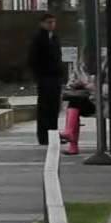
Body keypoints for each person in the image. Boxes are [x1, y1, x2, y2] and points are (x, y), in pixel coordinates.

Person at [28, 14, 65, 146]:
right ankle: (44, 136)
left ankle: (53, 134)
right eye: (49, 22)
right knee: (45, 107)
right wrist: (38, 76)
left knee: (54, 108)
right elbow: (33, 59)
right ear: (42, 23)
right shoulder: (38, 38)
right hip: (45, 77)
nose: (51, 25)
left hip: (55, 77)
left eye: (53, 22)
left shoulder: (55, 37)